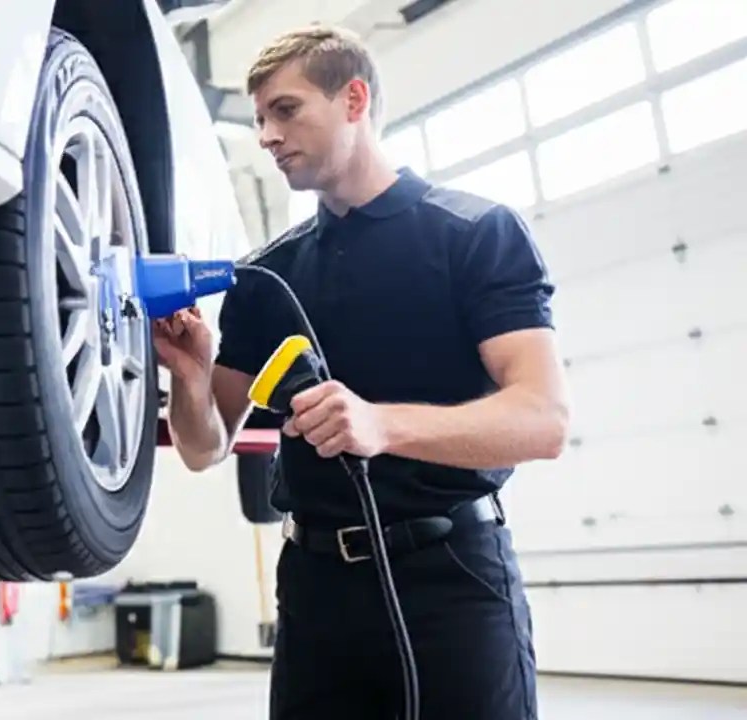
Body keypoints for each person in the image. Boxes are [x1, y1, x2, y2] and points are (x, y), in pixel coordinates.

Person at [154, 24, 570, 720]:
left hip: (452, 582)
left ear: (353, 100)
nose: (267, 136)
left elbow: (543, 420)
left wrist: (381, 425)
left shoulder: (475, 234)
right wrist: (190, 379)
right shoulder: (267, 277)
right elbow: (204, 447)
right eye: (259, 120)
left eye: (286, 110)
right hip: (315, 593)